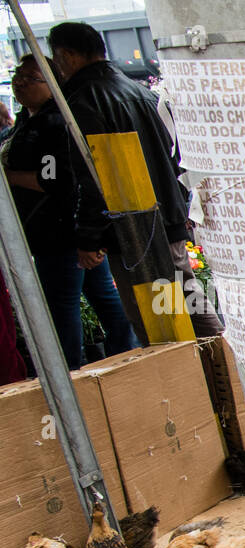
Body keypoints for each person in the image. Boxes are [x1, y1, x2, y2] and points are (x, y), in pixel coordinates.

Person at [48, 21, 220, 341]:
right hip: (165, 217)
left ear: (68, 56)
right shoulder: (137, 90)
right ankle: (222, 367)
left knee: (159, 317)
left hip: (133, 232)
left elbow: (93, 177)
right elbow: (174, 155)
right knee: (187, 300)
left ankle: (197, 378)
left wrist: (88, 238)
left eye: (56, 59)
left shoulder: (85, 101)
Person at [4, 53, 136, 368]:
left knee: (62, 304)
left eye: (29, 78)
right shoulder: (28, 120)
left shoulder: (55, 122)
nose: (19, 84)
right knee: (100, 294)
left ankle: (70, 368)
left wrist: (7, 177)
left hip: (61, 230)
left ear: (53, 84)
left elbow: (55, 180)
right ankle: (125, 351)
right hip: (61, 230)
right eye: (17, 76)